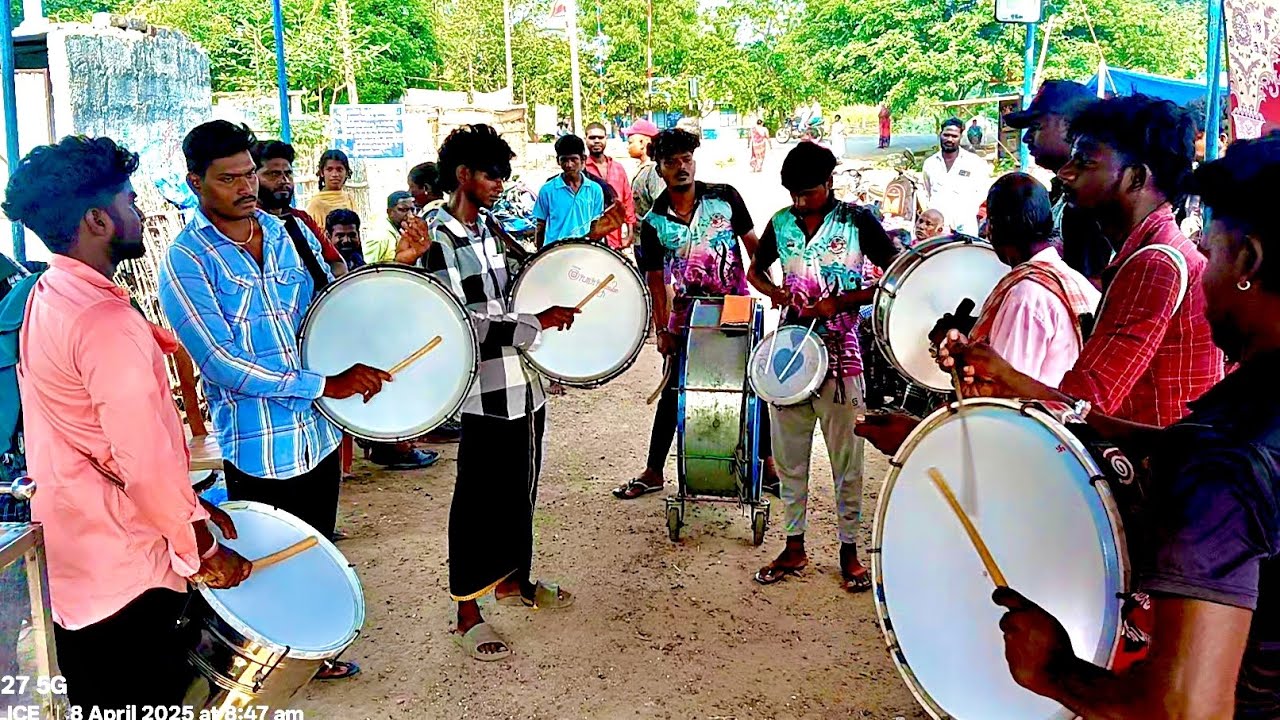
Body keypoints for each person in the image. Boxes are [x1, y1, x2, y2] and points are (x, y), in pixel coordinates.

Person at [972, 132, 1280, 720]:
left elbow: (1183, 711)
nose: (1203, 277)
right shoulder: (1236, 433)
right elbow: (1176, 448)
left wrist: (1055, 672)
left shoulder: (1227, 460)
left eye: (1211, 254)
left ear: (1248, 262)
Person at [3, 135, 252, 710]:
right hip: (127, 573)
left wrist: (193, 506)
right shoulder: (105, 321)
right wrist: (201, 548)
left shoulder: (46, 293)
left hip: (77, 562)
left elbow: (87, 439)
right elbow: (145, 463)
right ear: (97, 219)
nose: (138, 213)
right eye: (129, 201)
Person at [159, 121, 401, 679]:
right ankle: (271, 662)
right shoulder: (187, 259)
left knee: (315, 546)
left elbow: (325, 304)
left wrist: (398, 267)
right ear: (195, 182)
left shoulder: (285, 230)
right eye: (228, 179)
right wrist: (322, 384)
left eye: (249, 174)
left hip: (318, 430)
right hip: (260, 441)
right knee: (265, 558)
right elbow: (219, 361)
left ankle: (313, 650)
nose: (246, 187)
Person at [394, 124, 580, 661]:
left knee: (521, 487)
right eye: (491, 174)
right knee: (477, 501)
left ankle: (513, 579)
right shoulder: (435, 235)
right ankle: (467, 611)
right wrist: (536, 321)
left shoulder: (491, 227)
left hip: (524, 385)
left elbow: (525, 276)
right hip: (480, 393)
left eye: (503, 173)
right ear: (463, 175)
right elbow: (457, 321)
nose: (500, 182)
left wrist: (588, 237)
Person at [747, 141, 901, 592]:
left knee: (846, 462)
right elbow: (756, 271)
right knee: (790, 460)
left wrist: (841, 301)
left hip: (843, 355)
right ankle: (794, 546)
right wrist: (778, 296)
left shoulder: (857, 221)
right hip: (791, 353)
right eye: (794, 193)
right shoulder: (781, 222)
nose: (800, 201)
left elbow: (891, 278)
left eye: (809, 192)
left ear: (829, 183)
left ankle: (849, 552)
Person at [612, 128, 777, 499]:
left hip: (734, 304)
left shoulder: (725, 197)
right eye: (672, 162)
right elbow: (656, 282)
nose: (681, 167)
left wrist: (770, 291)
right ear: (660, 168)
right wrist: (661, 331)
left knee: (753, 384)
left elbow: (755, 250)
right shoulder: (653, 221)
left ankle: (767, 466)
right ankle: (654, 471)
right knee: (675, 389)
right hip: (686, 314)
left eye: (687, 159)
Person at [950, 173, 1101, 388]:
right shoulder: (1072, 280)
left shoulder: (1026, 296)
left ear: (992, 229)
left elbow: (1002, 395)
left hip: (1037, 418)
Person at [1004, 80, 1113, 286]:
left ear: (1070, 127)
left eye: (1036, 127)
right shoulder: (1061, 193)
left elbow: (1091, 287)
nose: (1027, 138)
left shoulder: (1089, 202)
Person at [252, 140, 347, 279]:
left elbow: (338, 265)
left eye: (288, 174)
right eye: (273, 174)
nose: (284, 180)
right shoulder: (245, 224)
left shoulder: (300, 220)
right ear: (252, 178)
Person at [533, 134, 606, 247]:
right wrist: (539, 255)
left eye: (573, 159)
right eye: (564, 160)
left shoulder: (595, 190)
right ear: (558, 161)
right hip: (554, 252)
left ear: (583, 159)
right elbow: (540, 225)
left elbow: (595, 225)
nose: (569, 165)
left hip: (584, 251)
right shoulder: (547, 190)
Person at [921, 117, 990, 235]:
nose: (949, 139)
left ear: (961, 137)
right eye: (946, 135)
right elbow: (928, 193)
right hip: (936, 229)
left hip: (965, 228)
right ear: (940, 135)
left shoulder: (975, 163)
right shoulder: (930, 163)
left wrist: (968, 213)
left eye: (954, 136)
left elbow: (983, 194)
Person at [584, 122, 637, 250]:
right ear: (585, 139)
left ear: (606, 138)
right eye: (592, 138)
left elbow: (627, 202)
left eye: (600, 137)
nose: (596, 141)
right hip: (588, 239)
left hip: (614, 237)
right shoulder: (582, 169)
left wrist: (629, 234)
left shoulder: (617, 168)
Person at [362, 190, 421, 264]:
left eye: (412, 210)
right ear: (390, 212)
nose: (410, 215)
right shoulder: (380, 236)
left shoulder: (400, 231)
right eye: (403, 210)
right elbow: (367, 271)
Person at [305, 148, 358, 223]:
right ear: (322, 173)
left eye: (339, 169)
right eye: (329, 169)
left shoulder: (349, 199)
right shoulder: (316, 204)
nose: (335, 174)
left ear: (346, 173)